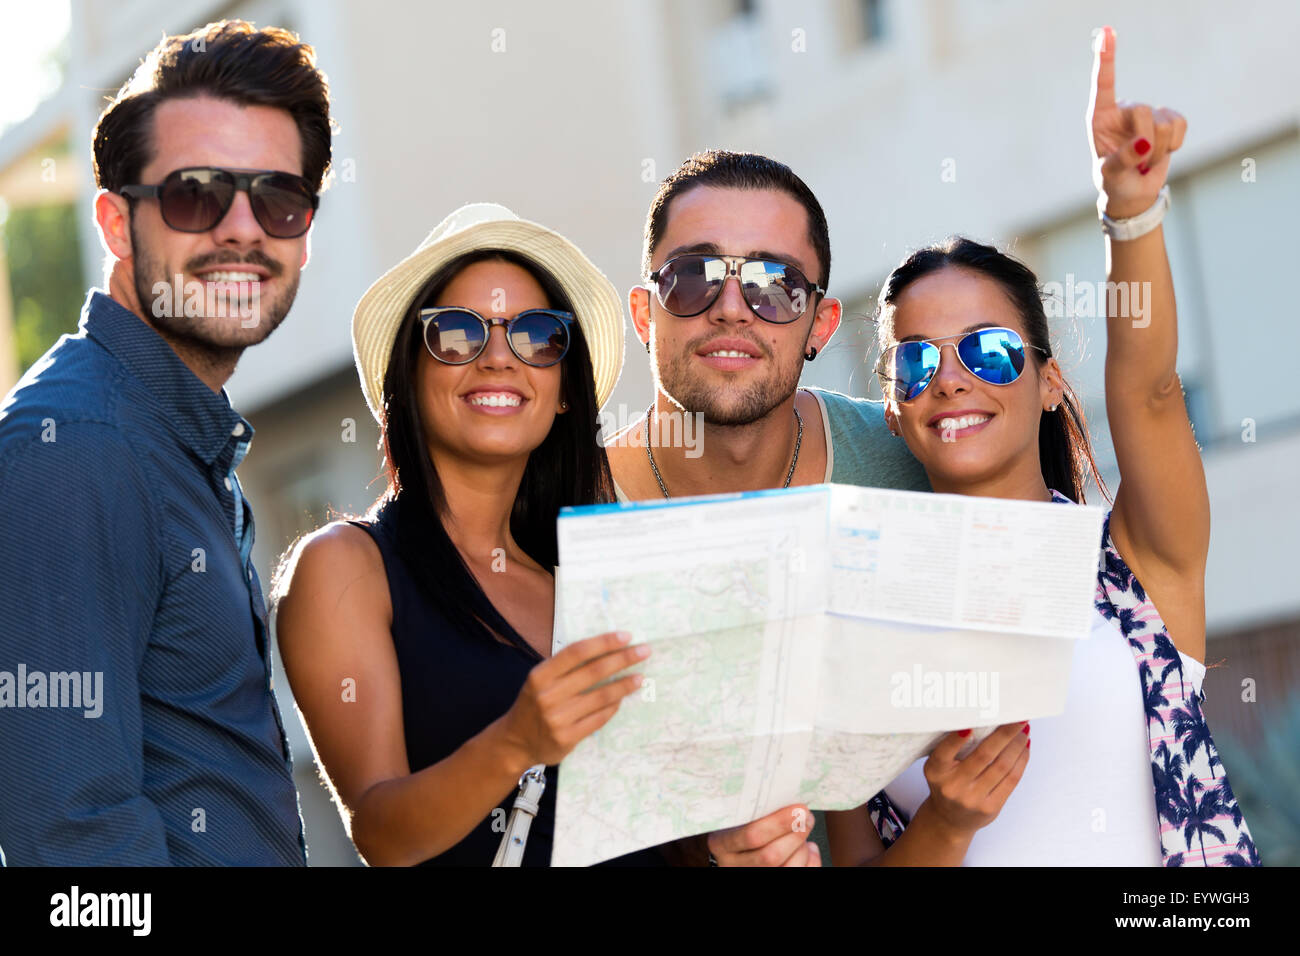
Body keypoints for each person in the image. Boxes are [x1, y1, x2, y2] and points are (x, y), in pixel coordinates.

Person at [827, 27, 1259, 867]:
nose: (950, 380)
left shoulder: (1136, 566)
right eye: (915, 362)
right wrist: (947, 827)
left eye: (987, 351)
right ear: (890, 408)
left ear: (1050, 381)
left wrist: (1130, 213)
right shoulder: (859, 626)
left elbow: (1151, 391)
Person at [606, 149, 1029, 865]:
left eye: (775, 284)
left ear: (822, 325)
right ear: (645, 313)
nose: (733, 307)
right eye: (694, 277)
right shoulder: (566, 520)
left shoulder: (918, 459)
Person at [0, 20, 331, 864]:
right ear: (117, 223)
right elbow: (68, 838)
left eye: (279, 200)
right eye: (196, 194)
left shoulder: (179, 442)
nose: (242, 229)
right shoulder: (74, 446)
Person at [273, 203, 665, 866]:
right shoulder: (346, 568)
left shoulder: (590, 579)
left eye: (537, 335)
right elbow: (381, 832)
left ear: (564, 390)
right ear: (412, 375)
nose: (497, 359)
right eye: (456, 334)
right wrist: (515, 741)